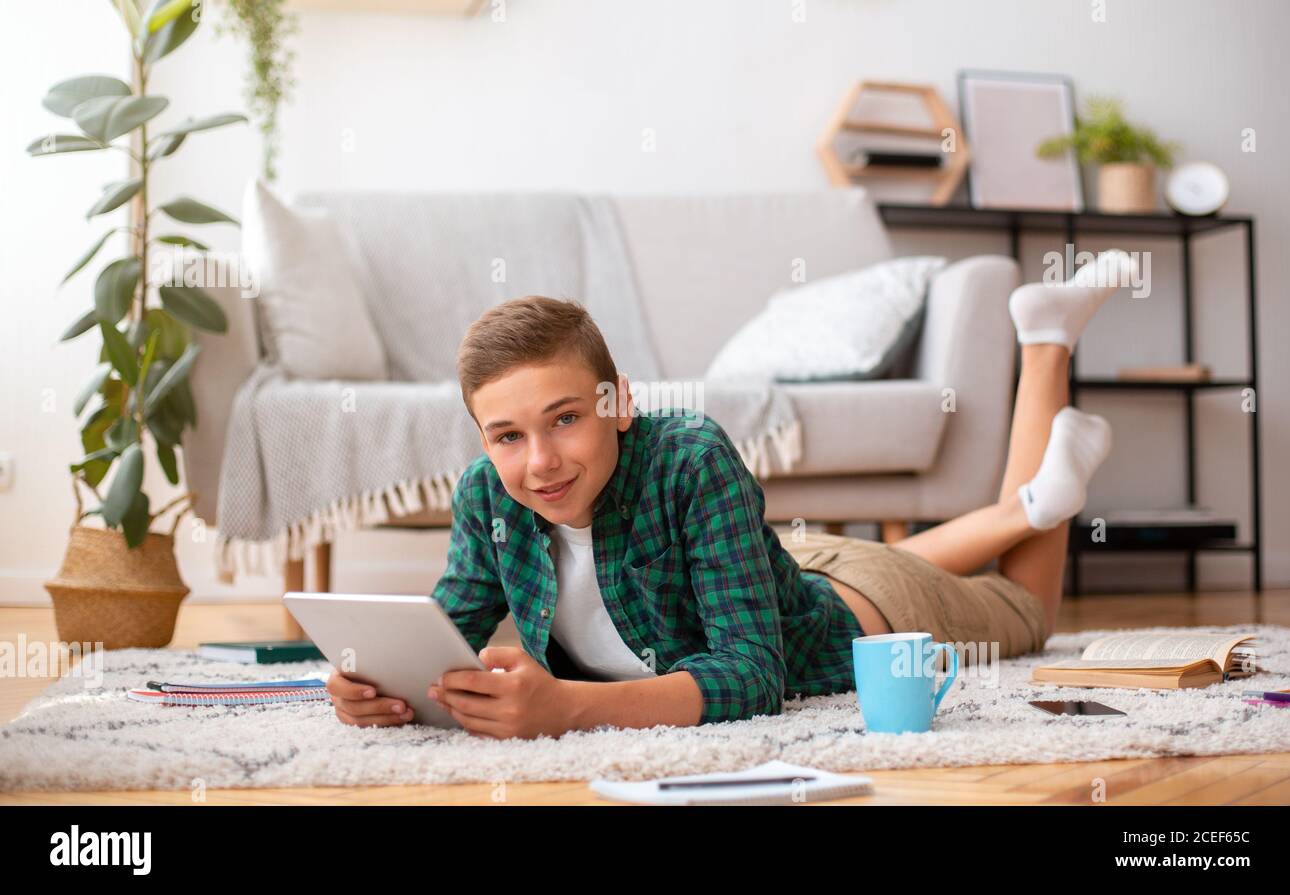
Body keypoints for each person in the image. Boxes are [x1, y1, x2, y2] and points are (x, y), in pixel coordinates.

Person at [326, 251, 1132, 738]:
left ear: (619, 402)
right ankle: (1028, 497)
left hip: (865, 612)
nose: (539, 461)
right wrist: (380, 684)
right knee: (851, 562)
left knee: (1027, 611)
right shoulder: (485, 497)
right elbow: (443, 633)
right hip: (785, 565)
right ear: (482, 438)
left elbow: (753, 675)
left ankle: (1045, 343)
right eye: (506, 436)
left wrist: (569, 707)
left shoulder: (692, 458)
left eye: (565, 418)